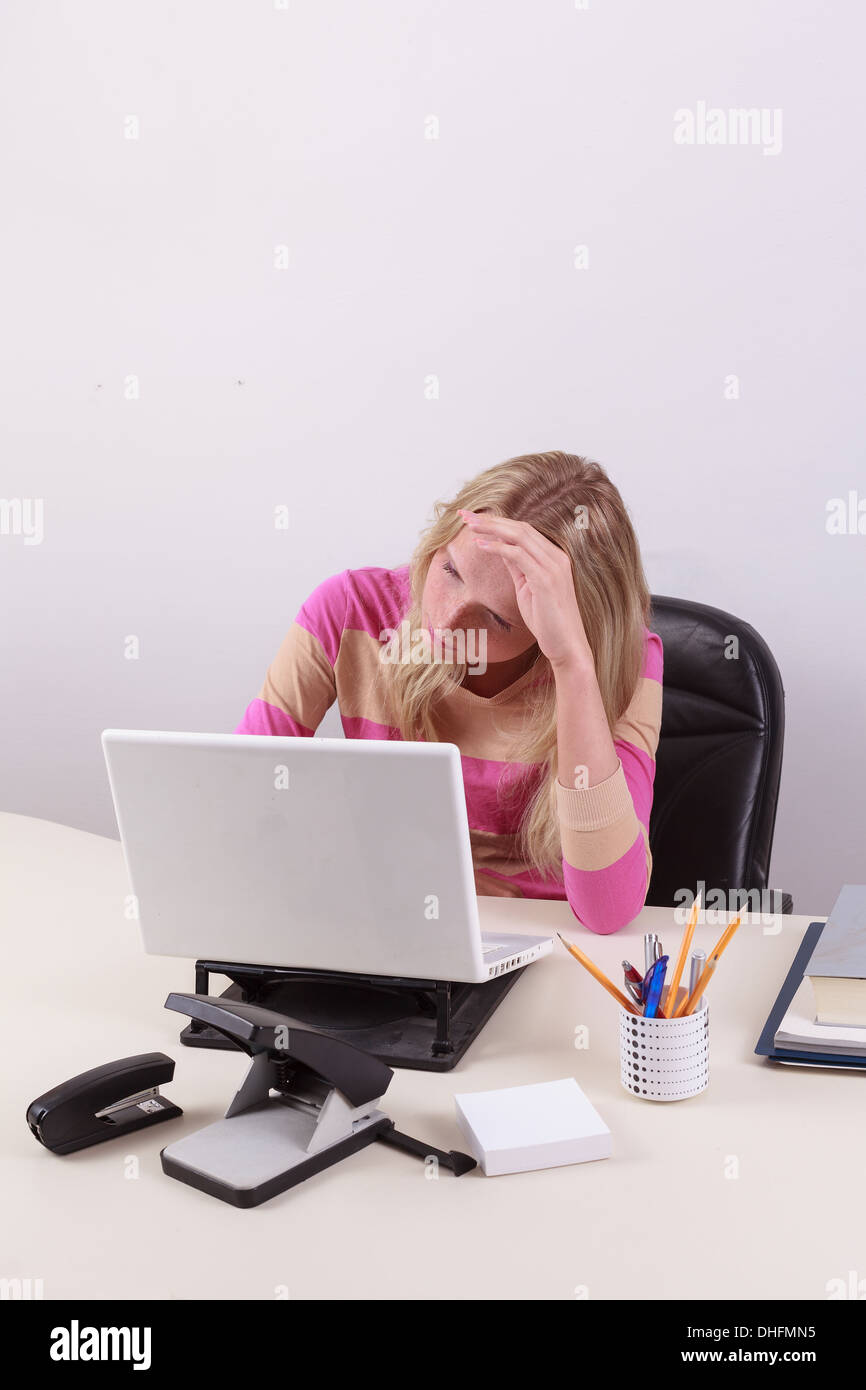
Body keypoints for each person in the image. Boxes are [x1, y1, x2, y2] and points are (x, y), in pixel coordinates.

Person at [234, 450, 663, 934]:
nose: (447, 620)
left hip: (549, 942)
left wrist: (572, 666)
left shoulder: (619, 663)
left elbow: (609, 911)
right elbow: (245, 802)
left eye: (498, 618)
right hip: (389, 924)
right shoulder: (349, 611)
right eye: (450, 571)